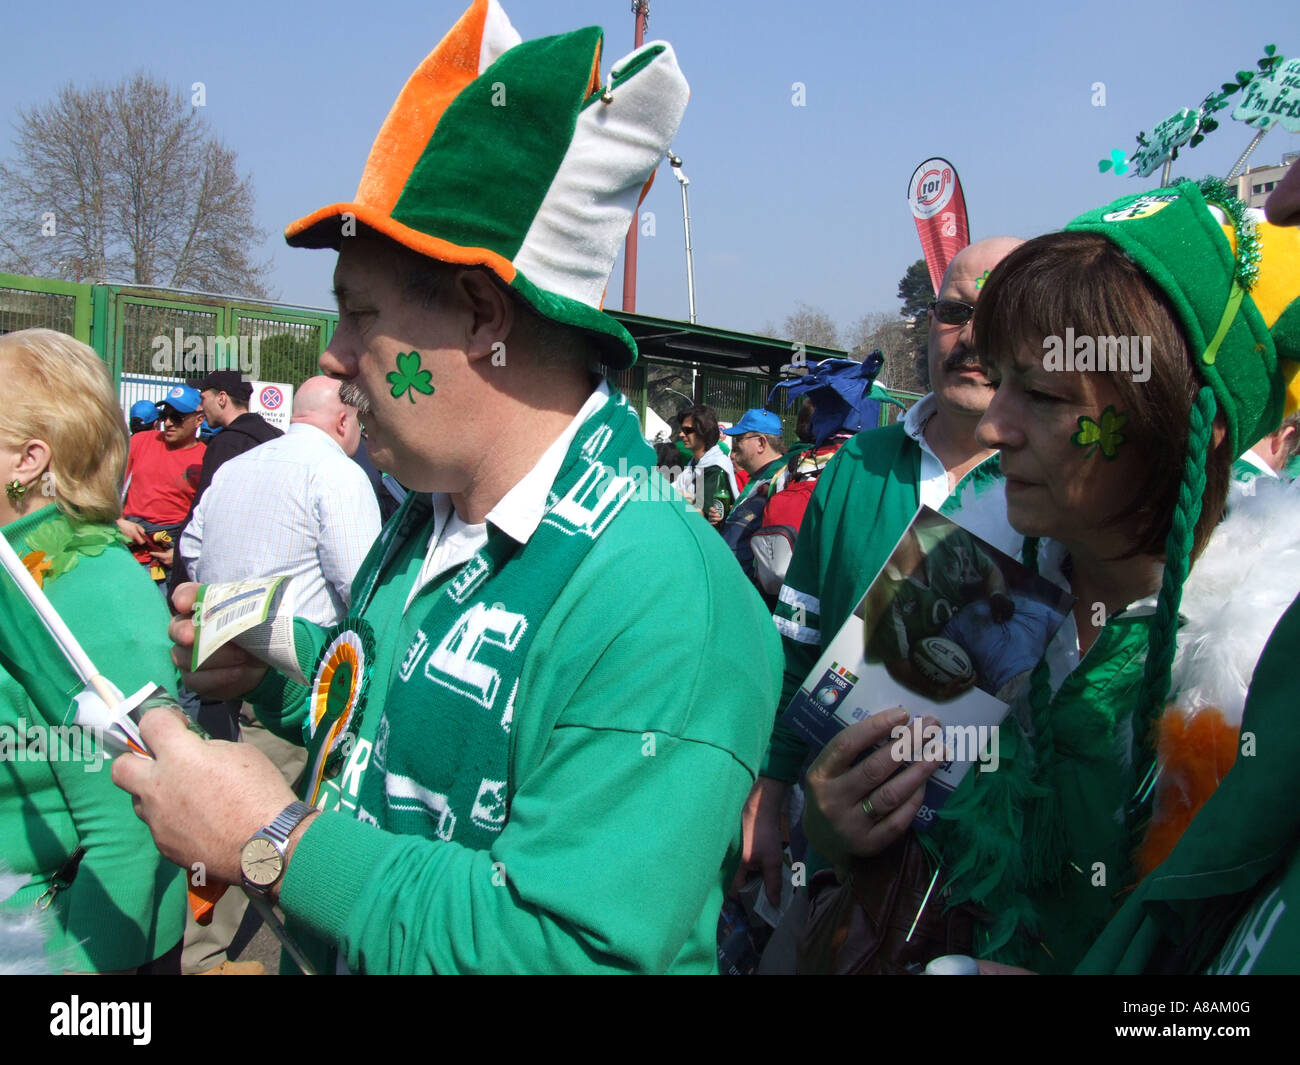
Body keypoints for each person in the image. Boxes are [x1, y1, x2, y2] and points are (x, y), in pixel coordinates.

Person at [113, 0, 781, 975]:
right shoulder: (427, 520)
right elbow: (401, 754)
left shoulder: (662, 595)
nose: (336, 360)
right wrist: (269, 680)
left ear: (478, 315)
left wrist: (272, 837)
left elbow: (561, 952)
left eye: (357, 316)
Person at [799, 177, 1298, 973]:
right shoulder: (951, 569)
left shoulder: (1265, 677)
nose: (995, 427)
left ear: (1183, 424)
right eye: (1001, 380)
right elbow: (836, 814)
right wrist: (830, 822)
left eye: (1045, 395)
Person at [737, 237, 1024, 910]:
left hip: (987, 880)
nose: (971, 336)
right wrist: (771, 784)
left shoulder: (1048, 489)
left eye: (1001, 316)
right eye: (953, 311)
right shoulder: (855, 465)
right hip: (833, 838)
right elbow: (796, 644)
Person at [0, 328, 186, 973]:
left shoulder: (83, 589)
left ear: (27, 460)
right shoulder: (15, 563)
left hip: (55, 950)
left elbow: (129, 837)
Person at [180, 375, 381, 739]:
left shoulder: (233, 468)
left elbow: (191, 548)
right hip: (295, 690)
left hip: (219, 668)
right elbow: (362, 587)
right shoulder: (339, 474)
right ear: (343, 421)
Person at [170, 369, 283, 587]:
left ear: (222, 398)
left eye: (203, 398)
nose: (200, 408)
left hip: (228, 569)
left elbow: (204, 509)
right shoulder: (277, 437)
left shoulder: (226, 444)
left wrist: (180, 577)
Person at [118, 384, 206, 588]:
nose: (168, 422)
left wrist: (180, 554)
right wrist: (117, 521)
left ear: (198, 419)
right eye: (165, 414)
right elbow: (107, 488)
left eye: (177, 416)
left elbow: (206, 520)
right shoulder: (139, 442)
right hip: (127, 555)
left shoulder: (204, 459)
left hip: (169, 563)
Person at [717, 408, 787, 587]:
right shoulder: (761, 480)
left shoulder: (781, 482)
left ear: (761, 443)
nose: (735, 446)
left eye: (739, 439)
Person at [674, 405, 738, 525]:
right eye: (682, 430)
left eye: (687, 430)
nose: (682, 434)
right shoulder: (694, 463)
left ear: (703, 432)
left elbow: (702, 516)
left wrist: (680, 497)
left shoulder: (715, 468)